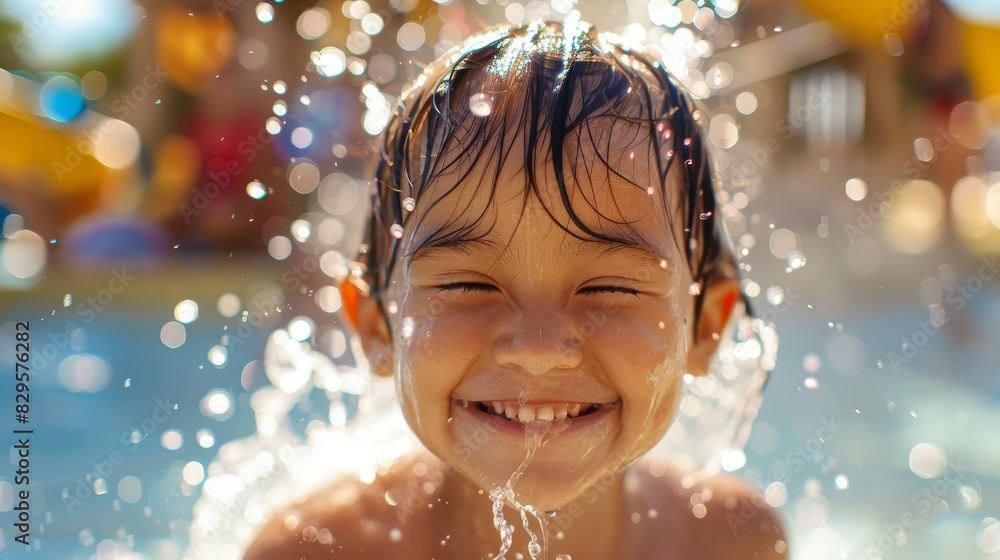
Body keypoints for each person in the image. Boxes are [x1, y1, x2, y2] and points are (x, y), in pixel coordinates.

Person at [244, 18, 786, 560]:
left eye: (609, 288)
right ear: (375, 324)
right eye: (464, 283)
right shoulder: (315, 551)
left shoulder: (732, 540)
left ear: (707, 324)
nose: (538, 350)